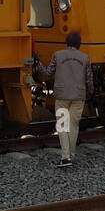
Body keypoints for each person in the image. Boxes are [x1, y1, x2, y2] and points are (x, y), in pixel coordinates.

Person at [42, 32, 94, 168]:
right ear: (79, 44)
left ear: (67, 43)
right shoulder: (85, 58)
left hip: (62, 95)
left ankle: (65, 157)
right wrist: (90, 93)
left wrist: (38, 63)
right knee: (73, 126)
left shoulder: (57, 55)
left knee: (62, 125)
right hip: (78, 96)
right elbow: (89, 79)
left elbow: (48, 73)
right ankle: (71, 155)